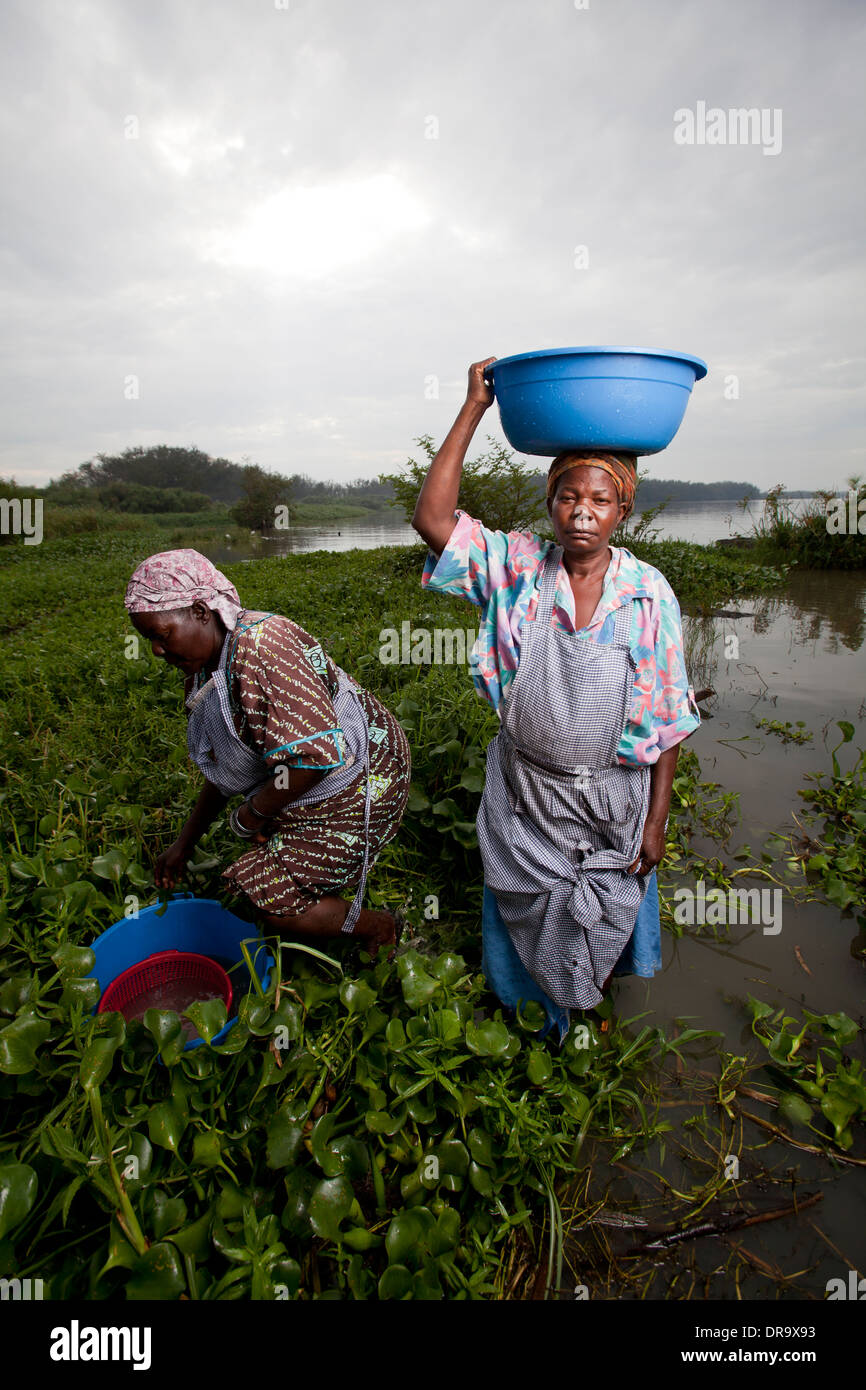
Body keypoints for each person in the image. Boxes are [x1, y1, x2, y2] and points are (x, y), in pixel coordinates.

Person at [412, 359, 701, 1038]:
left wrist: (656, 822)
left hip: (614, 800)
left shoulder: (648, 591)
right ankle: (534, 1020)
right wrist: (475, 406)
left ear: (622, 510)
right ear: (550, 503)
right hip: (526, 797)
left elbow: (670, 719)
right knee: (525, 909)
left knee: (600, 909)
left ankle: (584, 1004)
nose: (582, 513)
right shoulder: (516, 569)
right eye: (569, 497)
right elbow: (432, 519)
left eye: (600, 500)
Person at [124, 549, 410, 952]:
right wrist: (185, 843)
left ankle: (378, 927)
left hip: (367, 775)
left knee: (275, 902)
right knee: (265, 866)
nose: (155, 650)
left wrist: (251, 814)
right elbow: (227, 770)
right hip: (316, 773)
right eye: (148, 638)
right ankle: (309, 848)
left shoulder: (262, 647)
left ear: (201, 611)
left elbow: (314, 758)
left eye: (161, 634)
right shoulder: (206, 669)